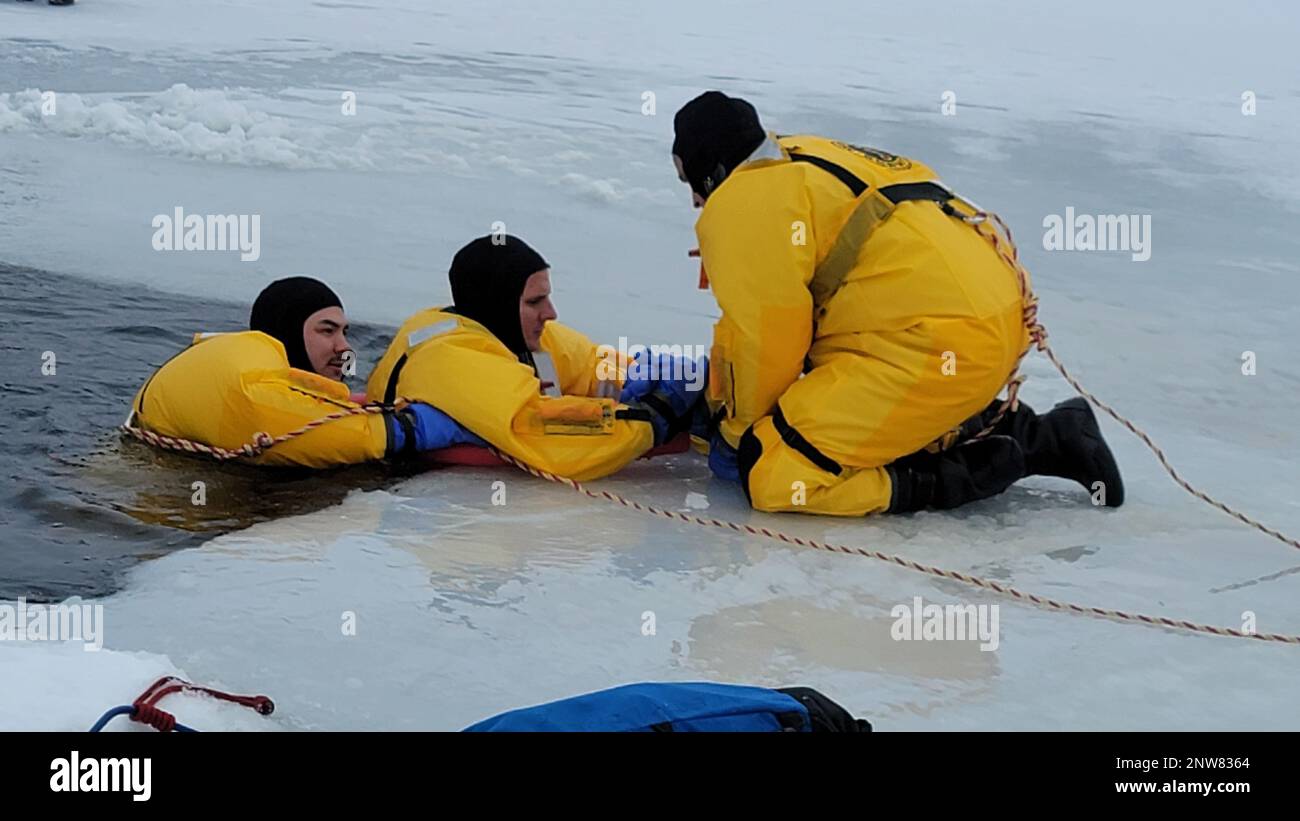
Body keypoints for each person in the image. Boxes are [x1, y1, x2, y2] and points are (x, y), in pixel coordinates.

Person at [671, 91, 1124, 515]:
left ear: (712, 171)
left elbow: (770, 338)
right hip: (989, 320)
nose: (693, 199)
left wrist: (737, 431)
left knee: (774, 469)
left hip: (932, 342)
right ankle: (1038, 433)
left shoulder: (740, 202)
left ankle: (990, 464)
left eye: (689, 180)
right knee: (840, 410)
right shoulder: (803, 157)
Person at [366, 235, 706, 481]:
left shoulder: (518, 334)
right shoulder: (452, 358)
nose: (551, 313)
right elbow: (544, 431)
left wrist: (659, 380)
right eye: (534, 302)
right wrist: (654, 414)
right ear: (496, 303)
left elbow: (590, 366)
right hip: (425, 491)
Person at [128, 277, 480, 468]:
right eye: (327, 331)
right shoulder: (254, 387)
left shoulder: (240, 363)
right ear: (288, 332)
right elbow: (364, 436)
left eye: (344, 332)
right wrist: (447, 422)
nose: (344, 347)